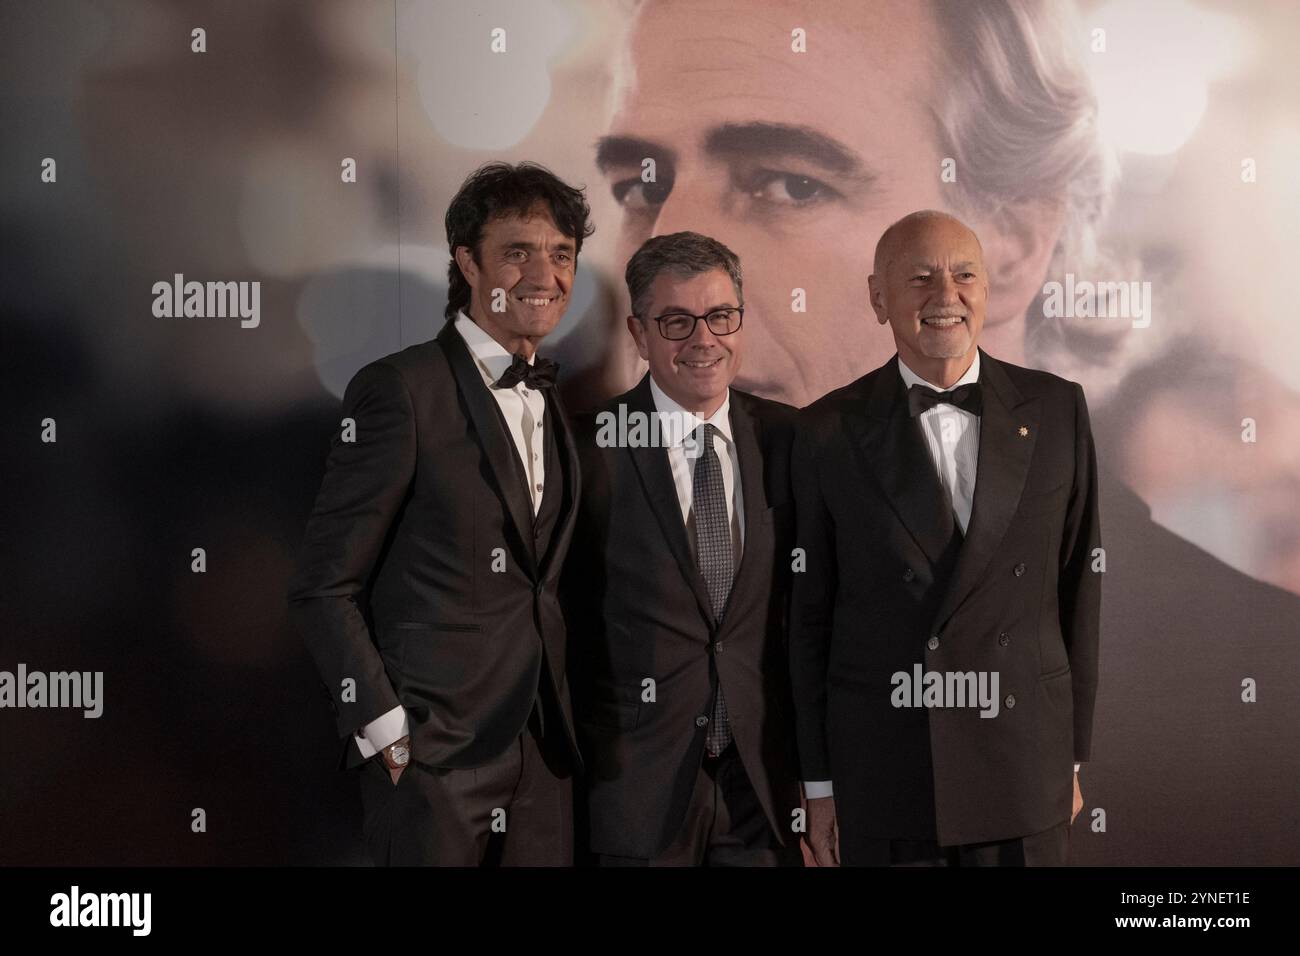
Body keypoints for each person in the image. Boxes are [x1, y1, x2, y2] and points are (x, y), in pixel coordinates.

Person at [566, 0, 1300, 864]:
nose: (678, 280)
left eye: (788, 182)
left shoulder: (1254, 715)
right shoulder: (553, 653)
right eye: (640, 188)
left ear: (1015, 245)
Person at [286, 162, 593, 865]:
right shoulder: (401, 390)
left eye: (562, 253)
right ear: (467, 261)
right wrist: (385, 729)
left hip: (544, 754)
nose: (544, 273)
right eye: (518, 251)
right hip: (434, 760)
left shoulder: (551, 399)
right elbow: (323, 586)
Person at [790, 210, 1100, 866]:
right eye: (920, 279)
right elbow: (807, 623)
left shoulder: (1058, 410)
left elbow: (1080, 591)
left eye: (964, 276)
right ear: (879, 297)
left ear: (987, 289)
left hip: (1023, 769)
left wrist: (1070, 757)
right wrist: (818, 787)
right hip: (888, 780)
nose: (945, 297)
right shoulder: (823, 432)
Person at [564, 232, 802, 865]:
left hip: (762, 793)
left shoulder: (789, 439)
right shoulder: (585, 449)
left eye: (721, 316)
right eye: (676, 321)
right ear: (639, 335)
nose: (704, 339)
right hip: (632, 792)